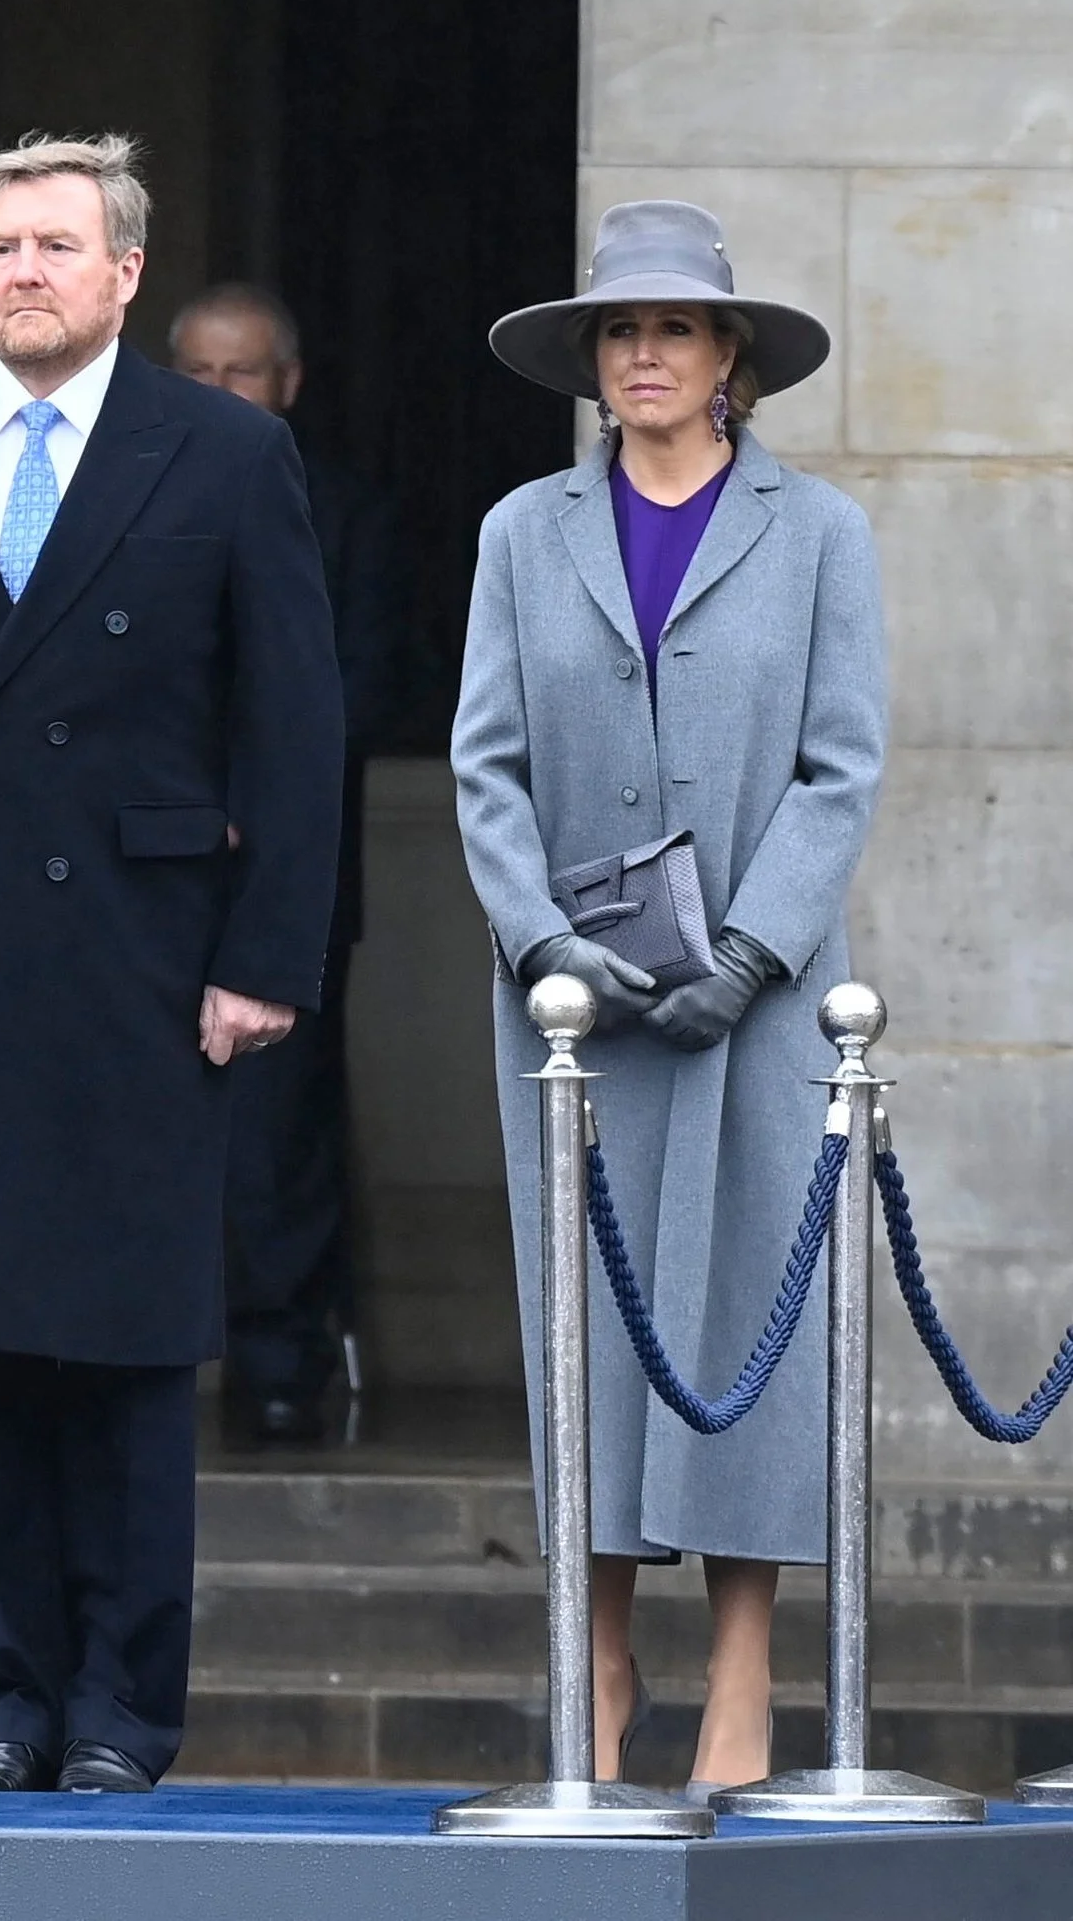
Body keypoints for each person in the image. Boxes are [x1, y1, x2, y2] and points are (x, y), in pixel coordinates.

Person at [0, 135, 344, 1794]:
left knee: (118, 1342)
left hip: (143, 951)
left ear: (124, 277)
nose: (24, 272)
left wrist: (264, 961)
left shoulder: (225, 454)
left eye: (56, 246)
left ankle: (121, 1700)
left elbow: (295, 725)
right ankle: (12, 1695)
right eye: (1, 248)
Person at [454, 200, 885, 1797]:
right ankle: (603, 1651)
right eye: (619, 332)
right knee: (595, 1321)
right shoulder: (521, 532)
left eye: (676, 331)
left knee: (747, 1328)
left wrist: (759, 950)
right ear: (592, 362)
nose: (644, 354)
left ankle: (748, 1673)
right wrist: (545, 944)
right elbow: (484, 769)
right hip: (580, 1016)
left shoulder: (821, 530)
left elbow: (840, 768)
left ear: (732, 363)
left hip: (760, 1010)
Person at [170, 283, 403, 1442]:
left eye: (243, 372)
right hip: (131, 872)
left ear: (289, 385)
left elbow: (361, 687)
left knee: (277, 1138)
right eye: (197, 372)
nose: (219, 393)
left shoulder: (346, 510)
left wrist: (241, 795)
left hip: (287, 875)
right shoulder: (112, 492)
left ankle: (277, 1361)